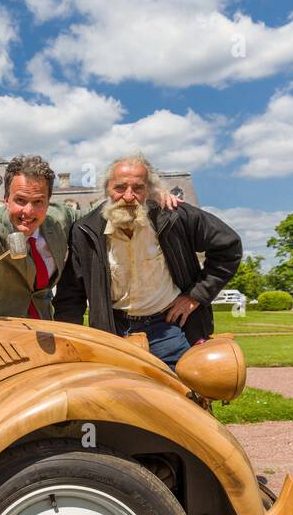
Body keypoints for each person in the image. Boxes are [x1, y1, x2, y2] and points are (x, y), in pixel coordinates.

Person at [55, 153, 242, 369]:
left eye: (138, 188)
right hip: (113, 330)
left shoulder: (173, 216)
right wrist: (70, 343)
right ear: (107, 189)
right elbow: (70, 294)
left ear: (149, 191)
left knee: (181, 394)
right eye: (120, 188)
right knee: (118, 397)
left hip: (169, 327)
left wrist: (196, 295)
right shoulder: (85, 230)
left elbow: (229, 246)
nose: (128, 196)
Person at [0, 154, 178, 319]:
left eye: (38, 202)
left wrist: (147, 196)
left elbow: (101, 215)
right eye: (20, 201)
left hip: (41, 318)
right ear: (6, 199)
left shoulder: (60, 217)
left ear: (49, 201)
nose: (28, 211)